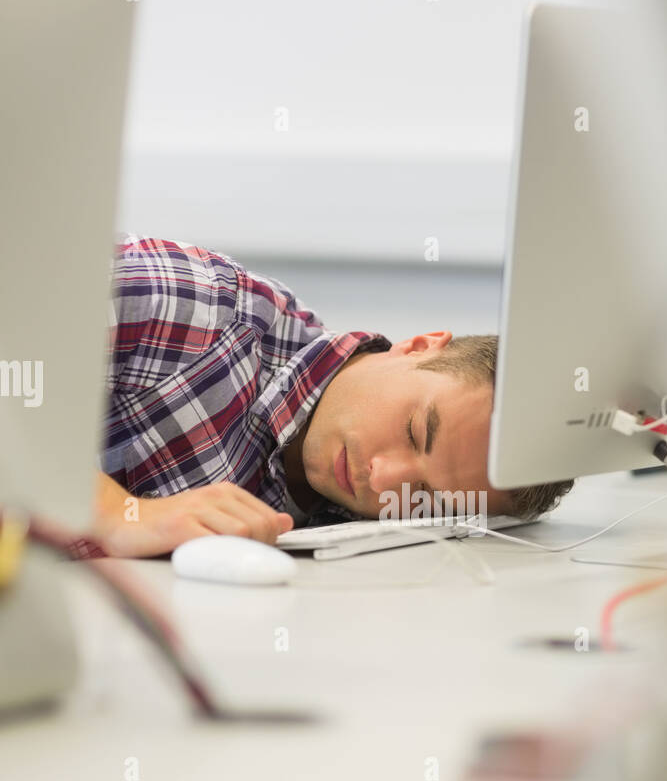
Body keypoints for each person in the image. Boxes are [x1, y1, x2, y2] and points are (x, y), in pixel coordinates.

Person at [91, 236, 572, 557]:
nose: (381, 478)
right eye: (413, 432)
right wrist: (117, 513)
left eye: (422, 497)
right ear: (419, 346)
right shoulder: (196, 308)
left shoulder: (349, 527)